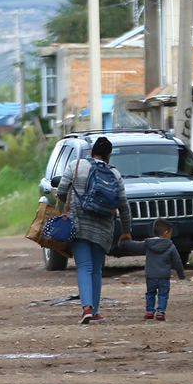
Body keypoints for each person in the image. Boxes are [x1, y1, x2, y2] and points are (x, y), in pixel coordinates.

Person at [56, 137, 131, 324]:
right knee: (96, 269)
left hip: (79, 224)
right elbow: (123, 205)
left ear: (91, 151)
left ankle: (86, 309)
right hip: (103, 227)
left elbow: (61, 192)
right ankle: (95, 311)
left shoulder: (76, 165)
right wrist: (127, 230)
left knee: (84, 267)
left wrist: (71, 204)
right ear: (108, 156)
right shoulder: (114, 173)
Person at [119, 218, 185, 321]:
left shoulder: (148, 244)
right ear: (166, 232)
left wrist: (124, 243)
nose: (170, 236)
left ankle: (149, 312)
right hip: (164, 276)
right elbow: (177, 262)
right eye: (170, 233)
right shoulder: (171, 246)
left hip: (150, 276)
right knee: (163, 295)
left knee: (150, 293)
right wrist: (181, 275)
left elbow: (135, 245)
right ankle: (160, 313)